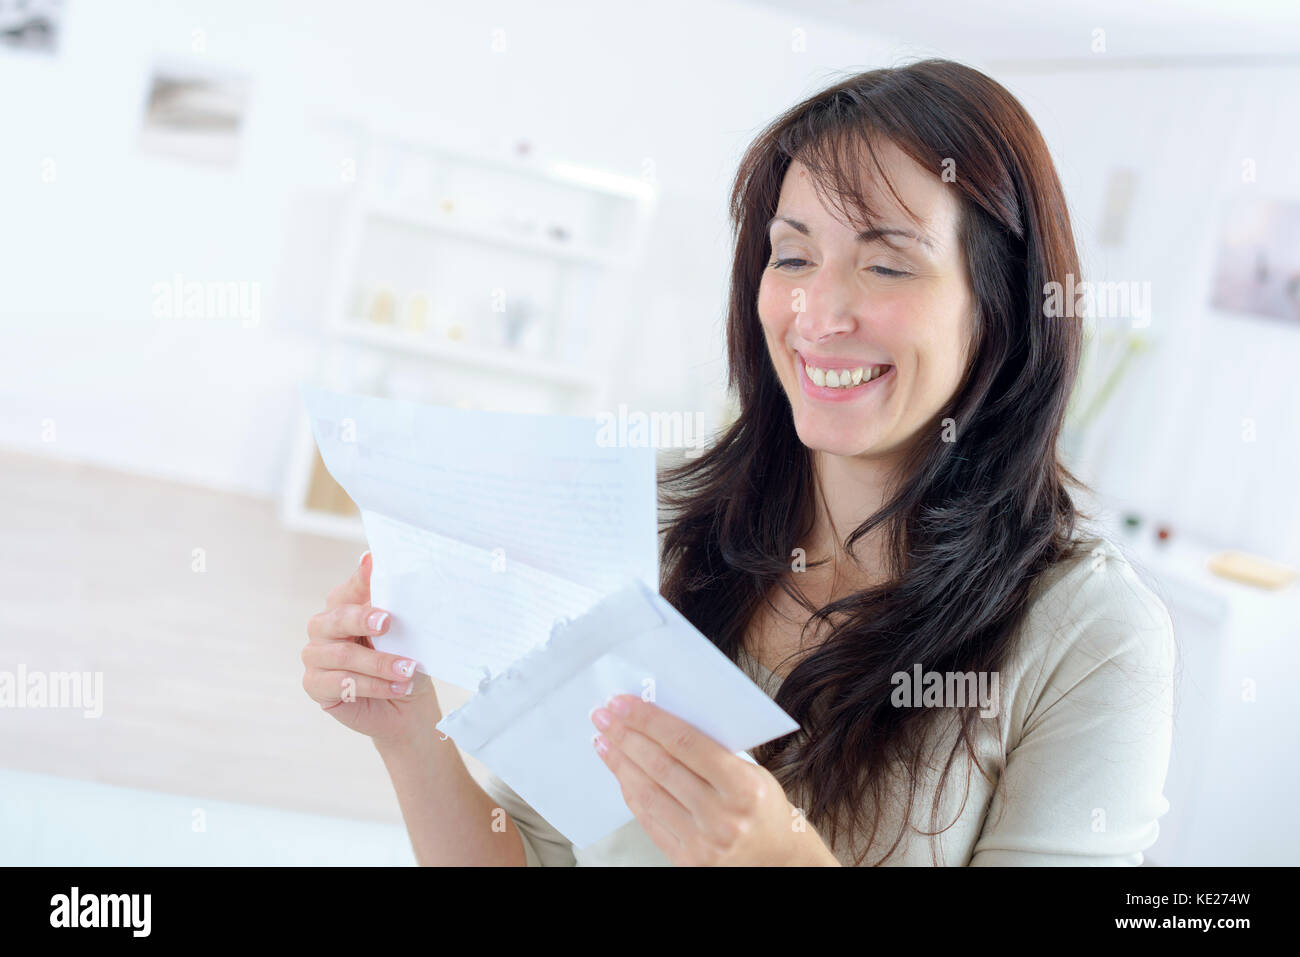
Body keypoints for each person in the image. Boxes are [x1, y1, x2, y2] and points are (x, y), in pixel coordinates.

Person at [301, 59, 1176, 866]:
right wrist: (408, 734)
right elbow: (535, 854)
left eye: (885, 263)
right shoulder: (654, 525)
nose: (819, 311)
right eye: (792, 255)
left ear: (1003, 307)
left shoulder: (1091, 636)